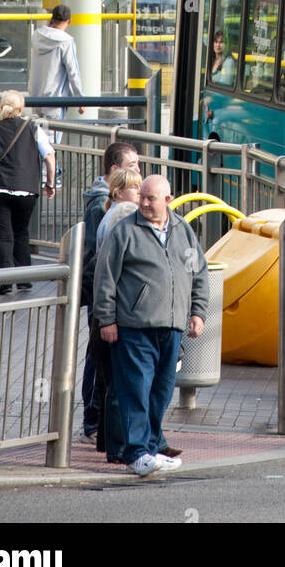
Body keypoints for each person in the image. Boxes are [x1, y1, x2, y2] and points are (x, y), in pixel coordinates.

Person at [94, 174, 209, 478]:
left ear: (168, 201)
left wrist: (197, 312)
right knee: (135, 389)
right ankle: (136, 452)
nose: (143, 203)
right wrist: (106, 319)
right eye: (142, 197)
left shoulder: (183, 231)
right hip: (134, 326)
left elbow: (198, 274)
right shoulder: (125, 231)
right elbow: (104, 277)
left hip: (171, 327)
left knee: (161, 391)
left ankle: (150, 447)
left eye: (150, 198)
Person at [79, 141, 141, 445]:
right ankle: (93, 420)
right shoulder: (105, 208)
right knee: (98, 358)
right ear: (115, 173)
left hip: (105, 294)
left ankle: (99, 424)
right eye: (133, 167)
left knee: (101, 360)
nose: (138, 173)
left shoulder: (106, 204)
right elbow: (101, 258)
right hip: (103, 295)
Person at [0, 90, 56, 294]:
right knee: (21, 232)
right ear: (20, 109)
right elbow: (50, 157)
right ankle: (24, 279)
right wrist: (49, 184)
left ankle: (5, 281)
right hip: (27, 190)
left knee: (3, 236)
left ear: (1, 108)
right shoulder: (34, 128)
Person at [28, 5, 84, 123]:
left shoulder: (37, 35)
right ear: (69, 21)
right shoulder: (66, 41)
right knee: (53, 139)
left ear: (52, 18)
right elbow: (73, 72)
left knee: (38, 137)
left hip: (35, 96)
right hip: (55, 99)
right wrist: (80, 98)